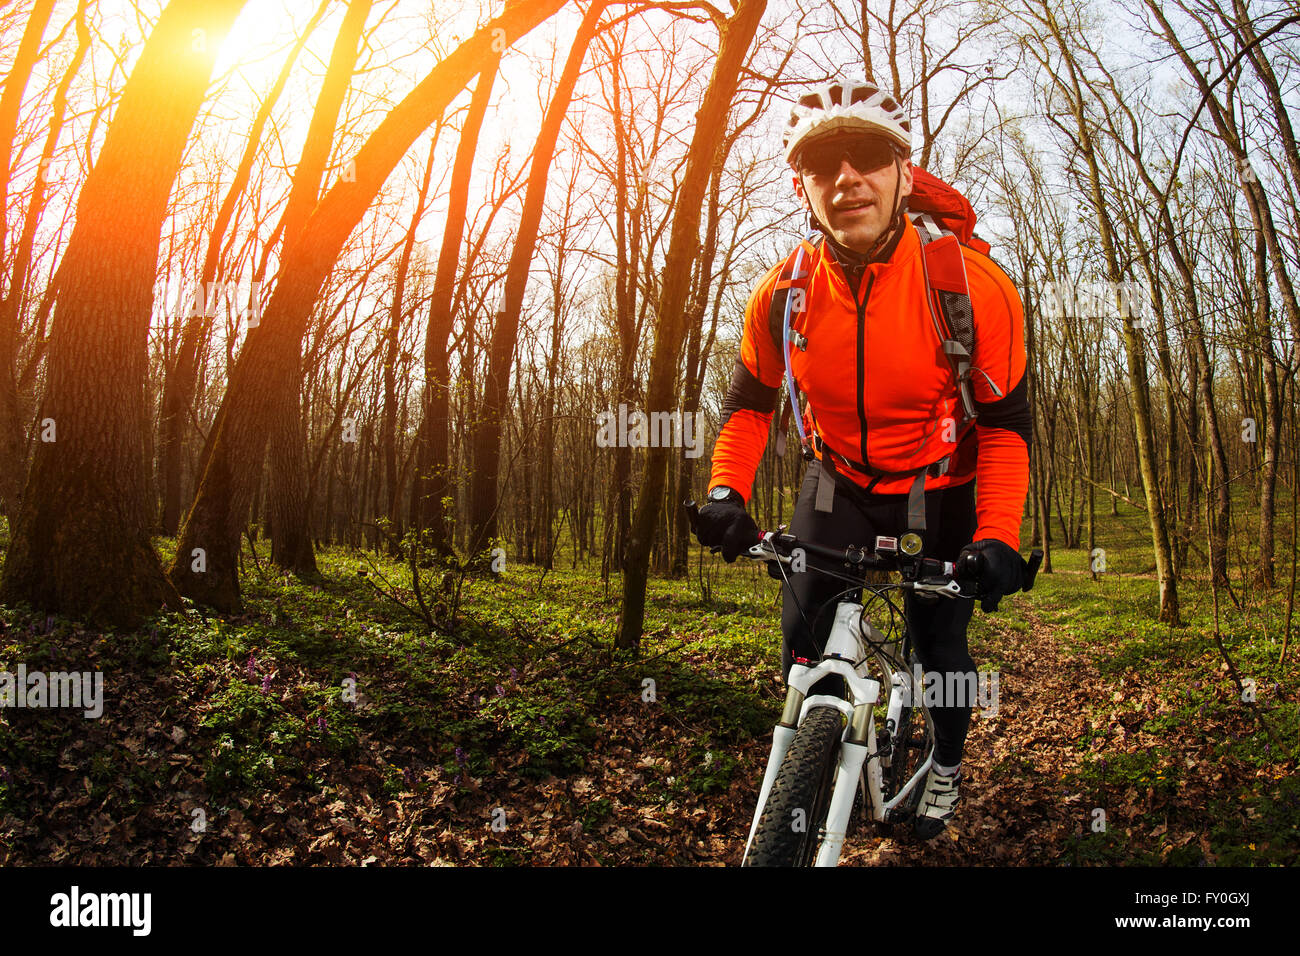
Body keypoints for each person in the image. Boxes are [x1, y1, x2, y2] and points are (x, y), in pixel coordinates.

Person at [694, 78, 1032, 839]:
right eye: (822, 165)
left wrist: (999, 536)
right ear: (801, 187)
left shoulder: (973, 288)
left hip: (941, 488)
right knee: (800, 635)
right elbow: (750, 406)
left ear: (905, 174)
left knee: (939, 641)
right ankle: (804, 761)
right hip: (835, 481)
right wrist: (724, 490)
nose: (847, 178)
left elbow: (1008, 425)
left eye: (870, 156)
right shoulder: (783, 294)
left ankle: (944, 764)